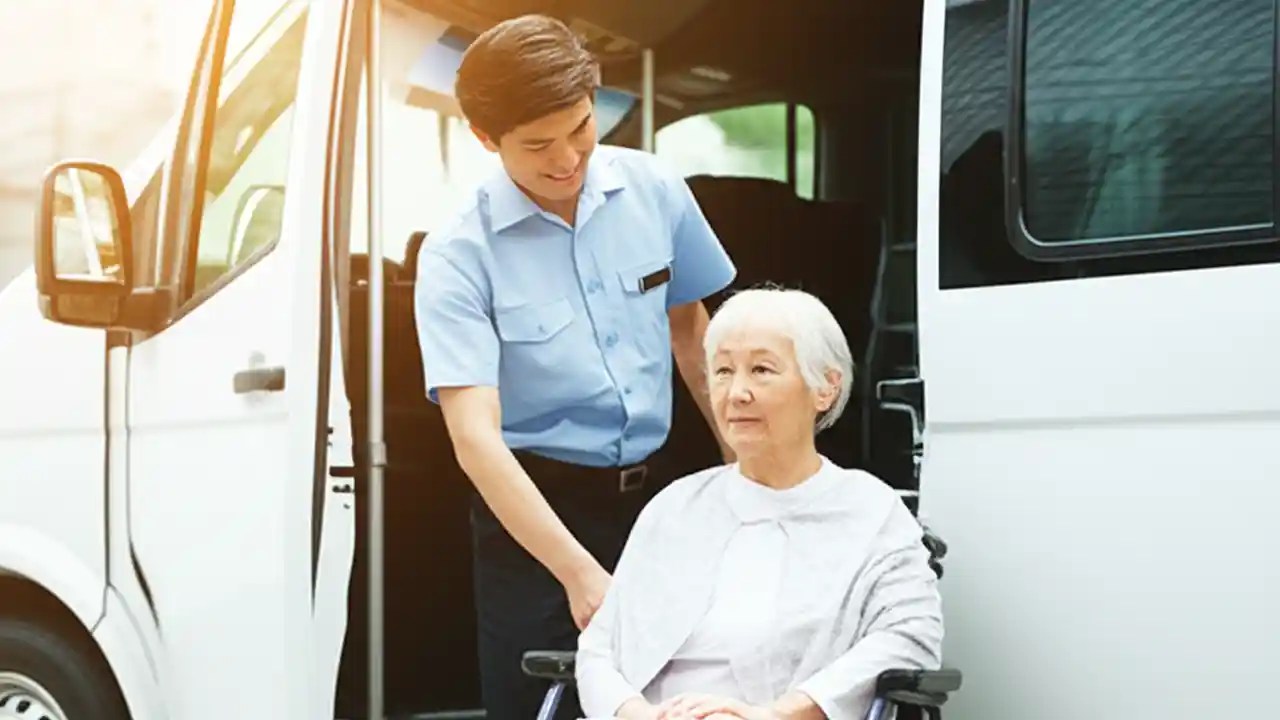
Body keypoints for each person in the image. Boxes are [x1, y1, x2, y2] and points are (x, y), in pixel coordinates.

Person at [413, 13, 737, 720]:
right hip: (536, 520)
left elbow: (693, 338)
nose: (567, 159)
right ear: (485, 139)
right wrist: (579, 576)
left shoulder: (655, 190)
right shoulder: (456, 256)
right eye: (538, 146)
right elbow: (476, 438)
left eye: (582, 129)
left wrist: (748, 480)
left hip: (660, 502)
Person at [576, 288, 944, 720]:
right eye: (723, 372)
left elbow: (911, 638)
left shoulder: (870, 511)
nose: (736, 393)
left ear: (825, 388)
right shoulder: (675, 507)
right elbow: (598, 650)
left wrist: (773, 715)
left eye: (761, 370)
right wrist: (638, 715)